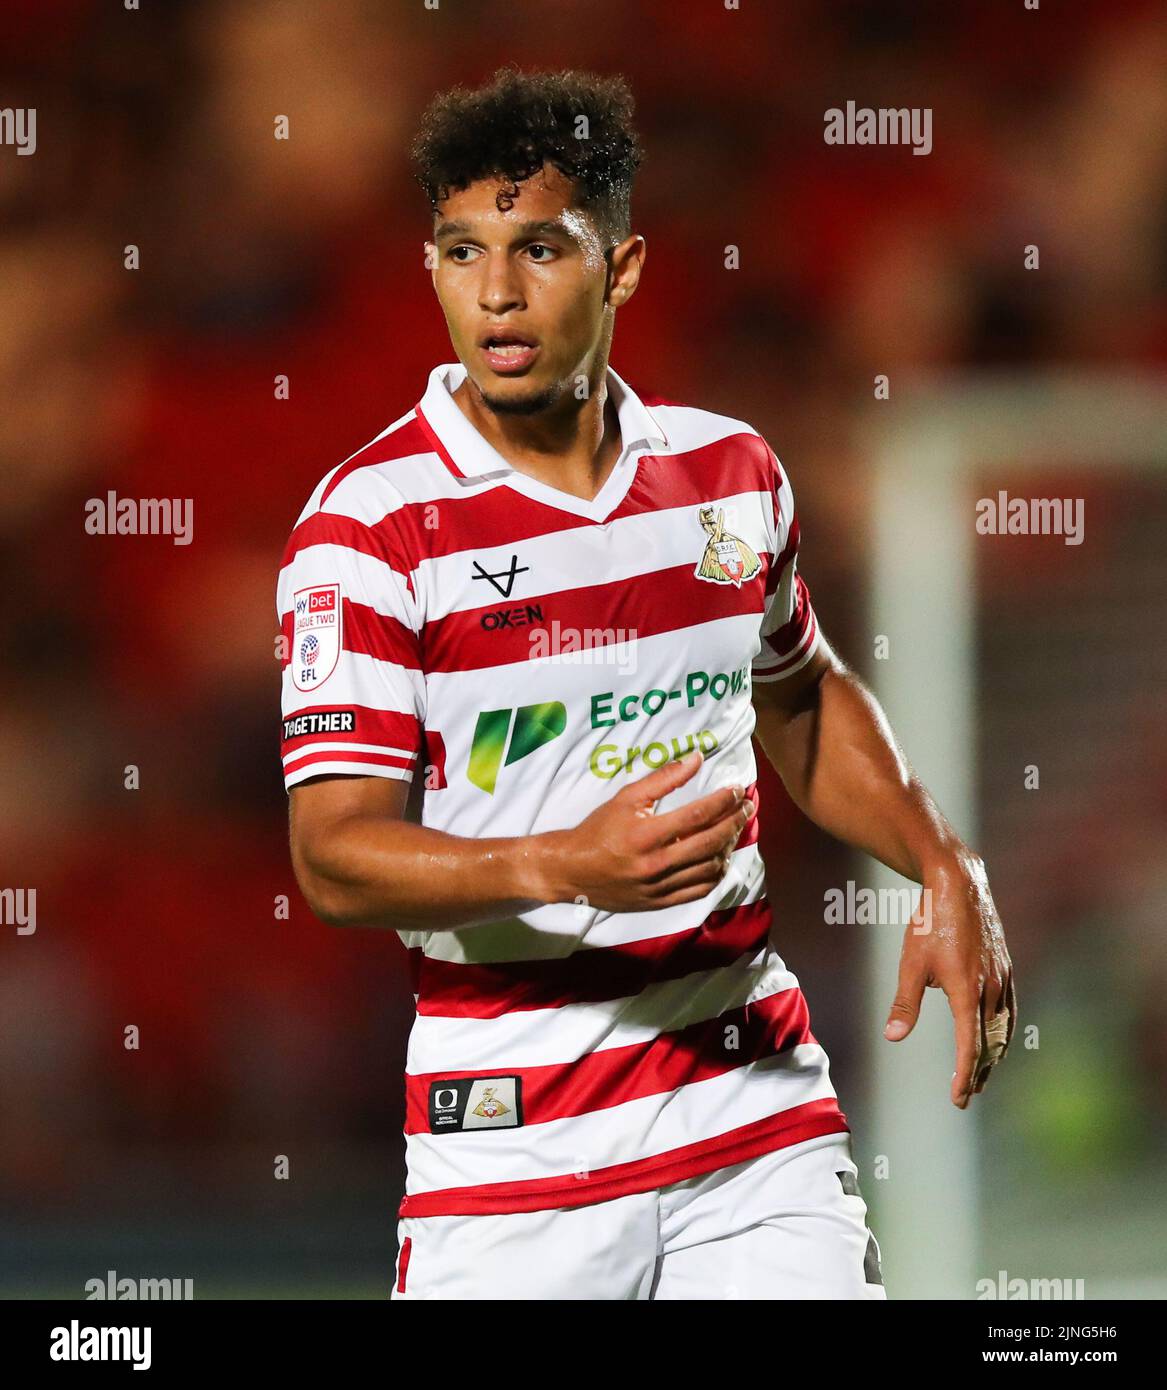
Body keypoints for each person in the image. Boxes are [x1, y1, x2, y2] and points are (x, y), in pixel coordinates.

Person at [276, 66, 1015, 1300]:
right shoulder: (369, 529)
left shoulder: (730, 476)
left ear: (621, 269)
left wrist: (945, 860)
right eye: (464, 251)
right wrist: (562, 863)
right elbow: (334, 851)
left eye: (542, 249)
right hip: (514, 1145)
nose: (498, 294)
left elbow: (800, 694)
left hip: (750, 1108)